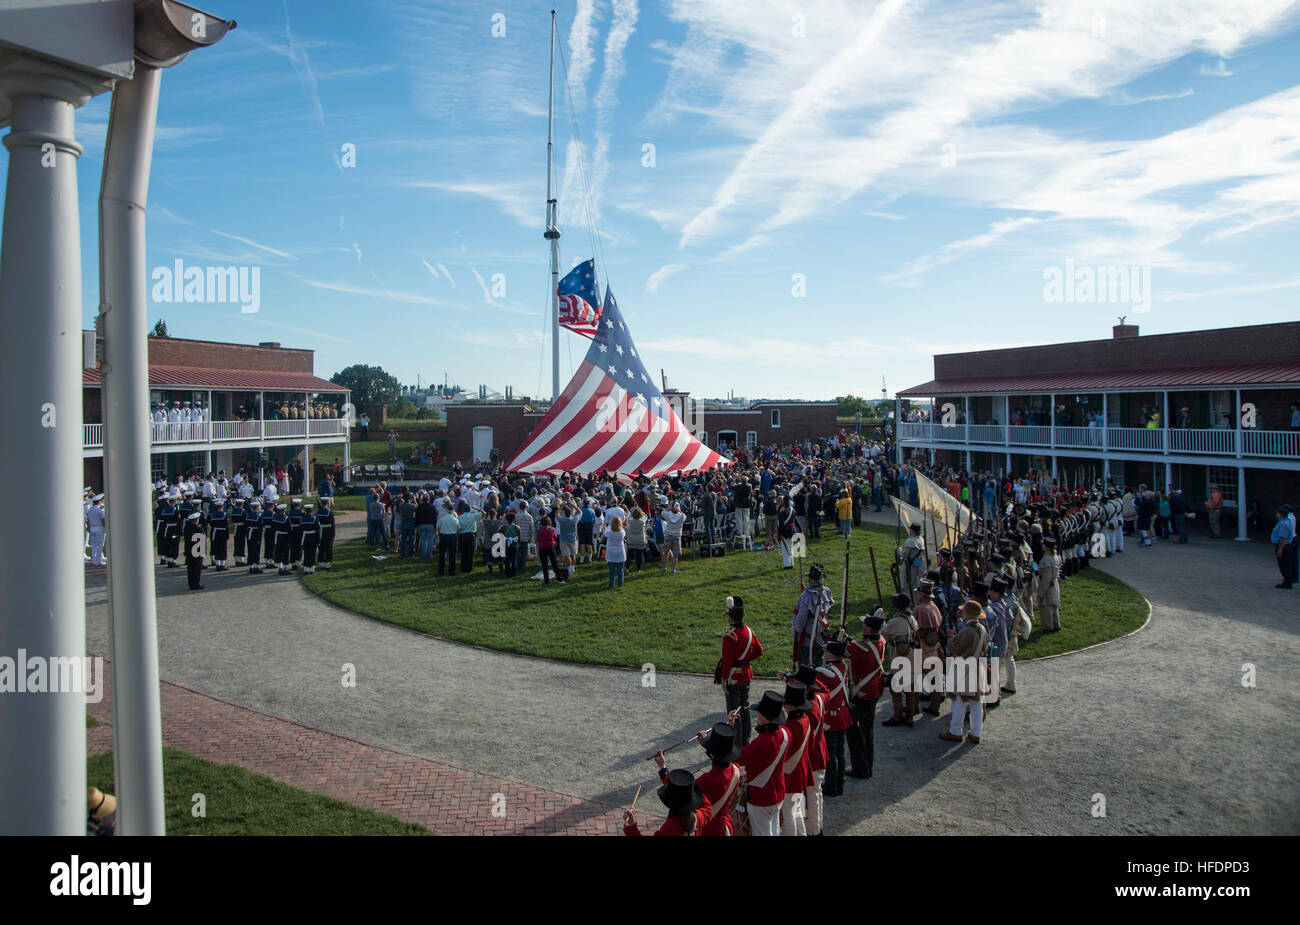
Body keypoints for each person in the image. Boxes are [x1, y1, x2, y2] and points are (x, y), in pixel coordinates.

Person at [736, 690, 789, 837]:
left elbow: (737, 757)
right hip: (778, 792)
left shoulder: (761, 742)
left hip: (761, 797)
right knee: (774, 831)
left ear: (764, 718)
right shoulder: (785, 733)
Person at [940, 600, 990, 744]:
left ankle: (955, 731)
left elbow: (955, 649)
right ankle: (976, 732)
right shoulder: (982, 629)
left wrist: (951, 638)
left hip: (965, 669)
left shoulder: (967, 631)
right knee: (976, 702)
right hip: (978, 667)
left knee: (959, 701)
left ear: (968, 613)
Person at [716, 595, 762, 745]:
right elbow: (759, 651)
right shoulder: (750, 632)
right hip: (746, 674)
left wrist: (724, 679)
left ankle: (736, 740)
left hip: (733, 677)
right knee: (745, 707)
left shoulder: (730, 636)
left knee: (733, 711)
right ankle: (746, 738)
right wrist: (745, 661)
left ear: (731, 618)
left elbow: (727, 662)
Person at [623, 764, 713, 837]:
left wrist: (631, 826)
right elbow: (708, 809)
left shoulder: (670, 828)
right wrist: (691, 789)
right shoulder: (699, 817)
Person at [816, 638, 852, 797]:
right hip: (842, 714)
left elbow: (810, 681)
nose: (824, 652)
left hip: (831, 717)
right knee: (840, 751)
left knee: (831, 754)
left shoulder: (826, 672)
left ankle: (831, 785)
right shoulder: (843, 666)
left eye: (826, 650)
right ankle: (839, 783)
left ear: (830, 654)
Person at [779, 680, 812, 837]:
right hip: (801, 772)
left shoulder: (790, 727)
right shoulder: (805, 719)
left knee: (788, 815)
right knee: (797, 811)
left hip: (790, 776)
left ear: (791, 706)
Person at [881, 593, 919, 727]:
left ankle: (897, 717)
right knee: (910, 689)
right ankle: (910, 717)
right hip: (912, 655)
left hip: (899, 656)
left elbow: (883, 636)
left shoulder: (895, 621)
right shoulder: (912, 618)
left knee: (895, 689)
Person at [793, 563, 832, 668]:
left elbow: (802, 618)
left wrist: (797, 631)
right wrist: (806, 591)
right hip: (821, 633)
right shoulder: (825, 591)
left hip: (808, 635)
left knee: (806, 664)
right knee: (818, 661)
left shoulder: (806, 596)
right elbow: (816, 606)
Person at [1036, 537, 1062, 631]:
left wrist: (1041, 592)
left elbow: (1046, 579)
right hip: (1054, 584)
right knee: (1054, 607)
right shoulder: (1055, 557)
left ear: (1047, 547)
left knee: (1047, 608)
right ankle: (1056, 624)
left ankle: (1048, 627)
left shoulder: (1047, 559)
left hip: (1048, 587)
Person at [1272, 507, 1296, 589]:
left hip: (1283, 546)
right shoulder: (1287, 522)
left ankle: (1287, 582)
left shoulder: (1283, 524)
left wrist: (1280, 549)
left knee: (1283, 565)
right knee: (1286, 564)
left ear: (1281, 515)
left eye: (1277, 513)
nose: (1276, 514)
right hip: (1286, 545)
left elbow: (1283, 538)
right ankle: (1287, 581)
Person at [536, 515, 564, 584]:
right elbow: (555, 537)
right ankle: (559, 578)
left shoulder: (539, 530)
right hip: (550, 546)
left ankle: (546, 580)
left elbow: (538, 539)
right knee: (554, 563)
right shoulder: (552, 529)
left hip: (542, 547)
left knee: (544, 564)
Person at [660, 502, 686, 573]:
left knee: (665, 552)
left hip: (668, 534)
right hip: (677, 535)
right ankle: (673, 569)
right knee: (675, 554)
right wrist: (679, 510)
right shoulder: (682, 516)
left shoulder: (667, 514)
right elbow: (684, 516)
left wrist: (668, 509)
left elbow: (662, 512)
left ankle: (665, 568)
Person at [436, 500, 460, 576]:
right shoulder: (455, 519)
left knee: (442, 554)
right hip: (453, 536)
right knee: (452, 555)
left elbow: (438, 528)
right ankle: (452, 571)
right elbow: (458, 529)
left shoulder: (442, 518)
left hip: (443, 536)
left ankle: (441, 571)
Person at [603, 515, 627, 589]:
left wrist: (609, 526)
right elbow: (623, 531)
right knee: (620, 570)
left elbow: (605, 532)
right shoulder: (622, 532)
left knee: (611, 570)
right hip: (620, 551)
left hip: (611, 552)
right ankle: (620, 584)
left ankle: (611, 584)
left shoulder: (609, 532)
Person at [183, 510, 205, 590]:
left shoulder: (187, 527)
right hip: (197, 550)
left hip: (189, 550)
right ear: (196, 519)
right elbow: (202, 540)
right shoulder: (198, 529)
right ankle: (196, 583)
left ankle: (191, 583)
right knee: (196, 568)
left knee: (190, 568)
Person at [86, 494, 106, 567]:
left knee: (93, 545)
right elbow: (103, 520)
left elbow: (88, 519)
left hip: (92, 527)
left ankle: (94, 560)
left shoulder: (90, 509)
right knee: (99, 545)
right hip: (99, 527)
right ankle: (98, 561)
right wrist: (105, 528)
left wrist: (88, 527)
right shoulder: (101, 510)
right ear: (99, 502)